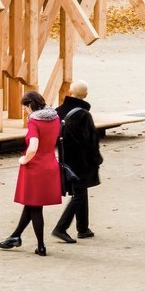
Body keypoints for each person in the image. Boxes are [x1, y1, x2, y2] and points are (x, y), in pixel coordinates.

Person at [0, 90, 62, 256]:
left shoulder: (34, 121)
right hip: (50, 163)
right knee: (32, 204)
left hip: (36, 167)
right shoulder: (55, 117)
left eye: (25, 107)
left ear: (30, 105)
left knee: (35, 207)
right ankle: (15, 236)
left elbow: (33, 147)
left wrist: (23, 160)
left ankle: (41, 246)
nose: (25, 111)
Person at [52, 80, 103, 243]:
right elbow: (91, 141)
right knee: (79, 194)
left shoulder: (58, 111)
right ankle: (61, 227)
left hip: (65, 159)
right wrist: (97, 159)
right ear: (86, 95)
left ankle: (83, 228)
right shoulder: (84, 115)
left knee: (80, 190)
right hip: (82, 160)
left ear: (69, 92)